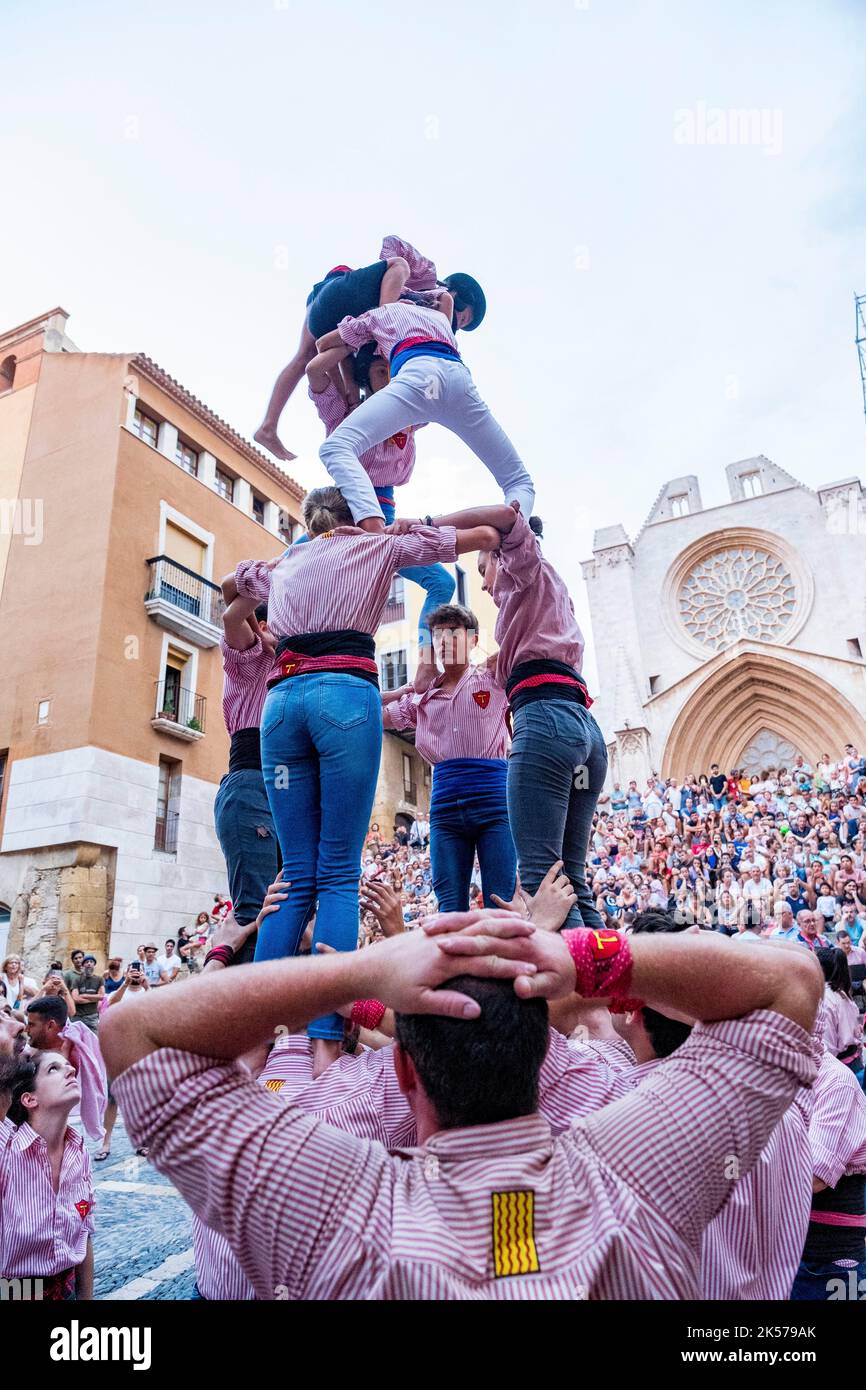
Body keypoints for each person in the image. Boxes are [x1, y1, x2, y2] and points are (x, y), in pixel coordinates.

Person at [101, 906, 821, 1300]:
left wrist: (362, 971)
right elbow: (789, 982)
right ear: (542, 1052)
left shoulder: (341, 1211)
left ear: (404, 1069)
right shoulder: (633, 1175)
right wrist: (578, 955)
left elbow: (135, 1032)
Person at [224, 485, 499, 1074]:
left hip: (281, 707)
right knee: (337, 875)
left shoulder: (286, 561)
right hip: (345, 698)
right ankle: (325, 1045)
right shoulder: (375, 546)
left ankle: (255, 1042)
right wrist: (446, 530)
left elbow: (230, 591)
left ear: (309, 522)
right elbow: (472, 540)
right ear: (359, 513)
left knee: (295, 876)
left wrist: (267, 621)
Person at [407, 503, 605, 928]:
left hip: (545, 720)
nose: (482, 583)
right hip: (582, 726)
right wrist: (424, 672)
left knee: (541, 882)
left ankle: (571, 971)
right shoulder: (542, 597)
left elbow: (505, 517)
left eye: (483, 569)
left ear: (502, 554)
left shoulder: (525, 570)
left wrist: (427, 525)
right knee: (570, 880)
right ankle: (610, 970)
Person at [314, 297, 532, 533]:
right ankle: (517, 533)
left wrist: (358, 346)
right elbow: (446, 300)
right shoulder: (441, 319)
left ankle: (373, 528)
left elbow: (323, 344)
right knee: (518, 480)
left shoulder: (386, 312)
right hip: (457, 378)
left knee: (335, 447)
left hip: (417, 374)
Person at [254, 235, 480, 462]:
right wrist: (389, 307)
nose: (454, 323)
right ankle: (383, 317)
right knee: (399, 269)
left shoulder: (418, 310)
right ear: (456, 293)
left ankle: (268, 426)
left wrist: (350, 391)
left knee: (308, 357)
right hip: (338, 290)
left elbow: (339, 347)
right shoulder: (430, 285)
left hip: (326, 315)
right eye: (461, 316)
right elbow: (392, 245)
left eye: (459, 324)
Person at [306, 344, 455, 653]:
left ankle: (426, 657)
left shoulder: (411, 414)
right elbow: (314, 370)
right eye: (379, 371)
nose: (388, 378)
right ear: (365, 376)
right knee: (281, 567)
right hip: (340, 517)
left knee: (443, 583)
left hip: (384, 520)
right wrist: (352, 337)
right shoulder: (347, 414)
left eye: (393, 371)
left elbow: (441, 382)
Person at [384, 604, 515, 912]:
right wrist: (402, 690)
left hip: (494, 798)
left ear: (473, 639)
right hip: (445, 804)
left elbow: (522, 638)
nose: (444, 640)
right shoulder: (421, 698)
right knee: (449, 906)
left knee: (501, 902)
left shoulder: (492, 677)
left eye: (454, 632)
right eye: (438, 635)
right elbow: (370, 714)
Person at [213, 599, 280, 965]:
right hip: (251, 782)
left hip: (285, 788)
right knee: (255, 912)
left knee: (289, 905)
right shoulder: (249, 659)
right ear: (263, 626)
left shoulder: (292, 667)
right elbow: (231, 611)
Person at [0, 1051, 95, 1299]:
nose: (71, 1070)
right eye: (54, 1069)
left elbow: (84, 1232)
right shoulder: (7, 1151)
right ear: (29, 1099)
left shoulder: (79, 1152)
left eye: (68, 1066)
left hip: (67, 1288)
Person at [24, 995, 107, 1143]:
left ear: (50, 1025)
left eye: (31, 1024)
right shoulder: (26, 1054)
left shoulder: (75, 1052)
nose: (26, 1029)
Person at [97, 963, 151, 1161]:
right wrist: (125, 983)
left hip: (142, 1049)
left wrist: (147, 986)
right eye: (132, 971)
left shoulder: (148, 992)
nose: (135, 974)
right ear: (127, 973)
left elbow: (160, 1008)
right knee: (112, 1098)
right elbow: (110, 1006)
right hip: (118, 1050)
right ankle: (105, 1142)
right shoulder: (118, 991)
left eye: (139, 971)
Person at [816, 946, 863, 1078]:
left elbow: (828, 1048)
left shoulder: (825, 999)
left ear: (820, 969)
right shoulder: (839, 992)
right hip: (852, 1064)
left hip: (841, 1069)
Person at [70, 955, 103, 1031]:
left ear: (94, 964)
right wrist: (95, 998)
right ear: (83, 965)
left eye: (91, 962)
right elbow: (75, 999)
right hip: (77, 1017)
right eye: (87, 962)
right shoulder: (77, 980)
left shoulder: (99, 979)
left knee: (93, 1037)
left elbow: (101, 996)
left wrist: (84, 995)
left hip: (92, 1017)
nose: (89, 964)